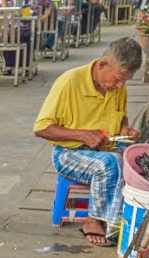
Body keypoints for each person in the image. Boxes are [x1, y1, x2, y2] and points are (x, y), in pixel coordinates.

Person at [33, 38, 142, 247]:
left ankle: (117, 222)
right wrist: (82, 135)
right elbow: (41, 128)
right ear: (102, 65)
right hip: (68, 153)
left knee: (134, 161)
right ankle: (94, 220)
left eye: (124, 81)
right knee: (109, 164)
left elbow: (122, 117)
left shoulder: (117, 86)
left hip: (106, 149)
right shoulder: (69, 82)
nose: (119, 86)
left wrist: (125, 130)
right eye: (117, 79)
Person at [0, 0, 54, 68]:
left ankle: (24, 64)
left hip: (31, 25)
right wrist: (6, 10)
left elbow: (51, 4)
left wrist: (44, 16)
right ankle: (9, 65)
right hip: (13, 24)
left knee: (27, 36)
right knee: (7, 35)